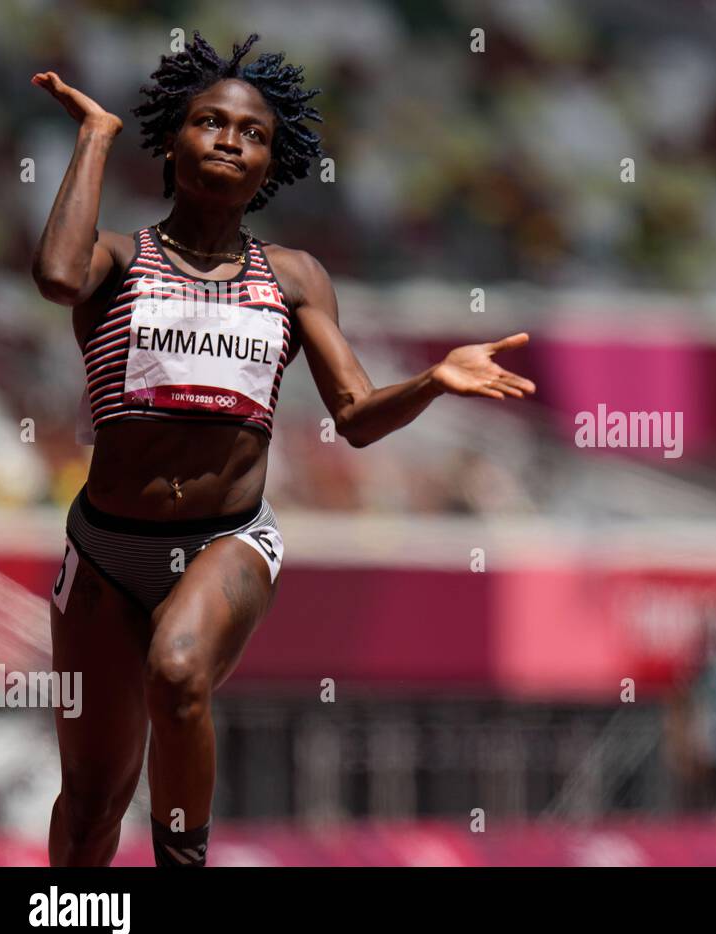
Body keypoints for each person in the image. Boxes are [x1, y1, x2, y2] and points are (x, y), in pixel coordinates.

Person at [30, 33, 536, 867]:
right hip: (105, 550)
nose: (231, 139)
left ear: (274, 162)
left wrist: (435, 379)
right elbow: (54, 274)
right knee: (90, 806)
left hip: (227, 542)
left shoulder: (294, 278)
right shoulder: (117, 260)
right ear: (172, 139)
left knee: (180, 672)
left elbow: (357, 417)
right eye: (209, 122)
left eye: (253, 133)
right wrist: (94, 137)